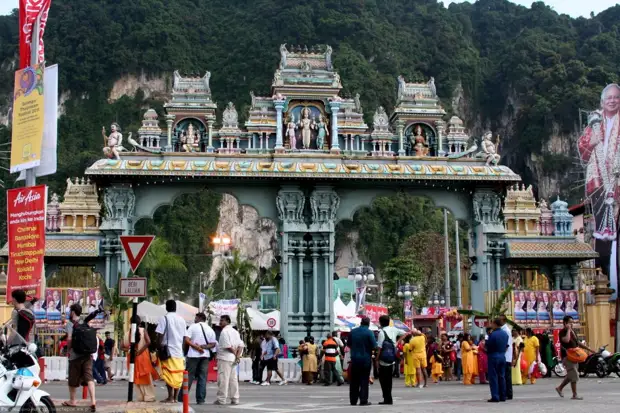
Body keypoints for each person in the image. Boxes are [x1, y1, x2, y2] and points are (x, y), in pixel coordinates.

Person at [63, 304, 99, 411]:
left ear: (73, 312)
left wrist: (68, 350)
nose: (69, 313)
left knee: (73, 379)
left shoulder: (70, 324)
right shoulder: (84, 321)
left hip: (75, 355)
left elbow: (69, 339)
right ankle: (93, 400)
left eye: (70, 311)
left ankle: (72, 400)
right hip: (87, 355)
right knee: (89, 377)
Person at [178, 312, 216, 404]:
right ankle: (200, 399)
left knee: (189, 376)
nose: (194, 320)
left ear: (199, 318)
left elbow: (186, 340)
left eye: (195, 318)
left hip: (193, 355)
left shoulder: (192, 327)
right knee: (202, 377)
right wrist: (202, 347)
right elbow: (213, 344)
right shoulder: (210, 329)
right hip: (205, 356)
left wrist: (195, 347)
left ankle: (182, 398)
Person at [555, 315, 594, 400]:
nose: (571, 324)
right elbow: (566, 340)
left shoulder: (573, 331)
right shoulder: (563, 332)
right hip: (567, 356)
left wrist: (589, 349)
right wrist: (568, 329)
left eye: (572, 323)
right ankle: (574, 395)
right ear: (565, 323)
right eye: (570, 323)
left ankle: (559, 388)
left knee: (571, 375)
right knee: (574, 375)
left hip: (574, 356)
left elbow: (577, 343)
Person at [155, 300, 187, 403]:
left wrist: (158, 348)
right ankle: (175, 398)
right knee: (178, 374)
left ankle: (170, 397)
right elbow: (184, 337)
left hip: (168, 351)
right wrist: (182, 350)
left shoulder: (164, 318)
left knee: (169, 373)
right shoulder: (182, 320)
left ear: (166, 307)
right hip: (179, 351)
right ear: (175, 308)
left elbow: (160, 335)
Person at [124, 316, 157, 402]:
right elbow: (148, 342)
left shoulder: (127, 333)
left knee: (135, 377)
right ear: (139, 322)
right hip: (143, 358)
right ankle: (149, 396)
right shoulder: (143, 330)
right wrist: (140, 351)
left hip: (132, 359)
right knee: (146, 377)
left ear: (130, 322)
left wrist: (131, 350)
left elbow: (122, 346)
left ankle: (141, 397)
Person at [347, 317, 376, 406]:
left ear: (360, 322)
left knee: (354, 380)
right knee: (364, 380)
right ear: (368, 324)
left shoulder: (353, 331)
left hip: (355, 359)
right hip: (365, 359)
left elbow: (348, 344)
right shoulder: (369, 332)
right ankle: (363, 400)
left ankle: (353, 400)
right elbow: (374, 345)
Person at [215, 315, 243, 406]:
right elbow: (240, 345)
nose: (220, 322)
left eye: (222, 320)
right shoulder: (235, 331)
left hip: (225, 358)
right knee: (233, 380)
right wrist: (237, 356)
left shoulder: (224, 331)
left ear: (227, 321)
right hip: (233, 359)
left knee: (223, 379)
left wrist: (236, 355)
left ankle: (221, 399)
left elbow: (228, 346)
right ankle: (235, 399)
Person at [376, 315, 404, 404]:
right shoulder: (394, 329)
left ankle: (386, 398)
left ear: (381, 322)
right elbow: (406, 333)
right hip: (391, 358)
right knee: (389, 380)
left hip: (383, 360)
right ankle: (389, 399)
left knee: (383, 380)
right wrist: (397, 342)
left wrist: (376, 359)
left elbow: (379, 348)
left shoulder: (381, 332)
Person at [487, 318, 509, 403]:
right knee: (502, 376)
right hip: (502, 356)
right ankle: (503, 395)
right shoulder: (505, 334)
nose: (491, 325)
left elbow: (489, 345)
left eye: (492, 323)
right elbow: (506, 345)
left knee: (493, 377)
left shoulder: (492, 334)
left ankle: (495, 396)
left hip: (493, 356)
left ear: (495, 324)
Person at [499, 315, 515, 399]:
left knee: (506, 376)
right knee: (504, 376)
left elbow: (507, 345)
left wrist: (501, 354)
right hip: (504, 356)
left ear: (504, 321)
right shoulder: (502, 330)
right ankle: (505, 392)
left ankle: (508, 393)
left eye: (500, 320)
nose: (499, 321)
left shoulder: (506, 331)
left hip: (506, 357)